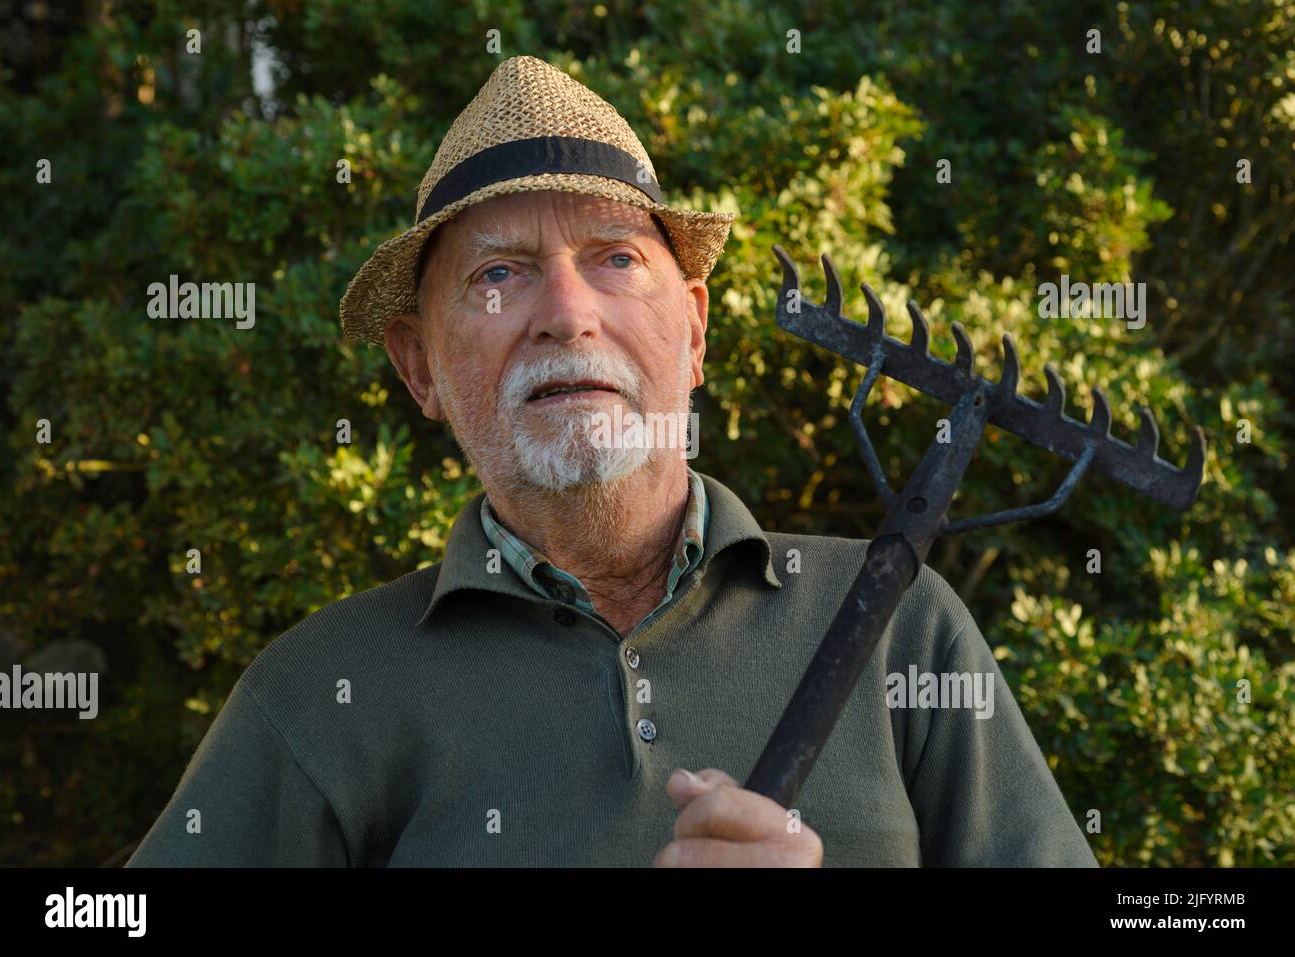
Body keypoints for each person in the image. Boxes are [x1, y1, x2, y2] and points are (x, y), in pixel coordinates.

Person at [128, 55, 1097, 868]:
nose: (566, 312)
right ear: (418, 365)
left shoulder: (900, 627)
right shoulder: (318, 693)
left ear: (694, 330)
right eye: (497, 273)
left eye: (617, 258)